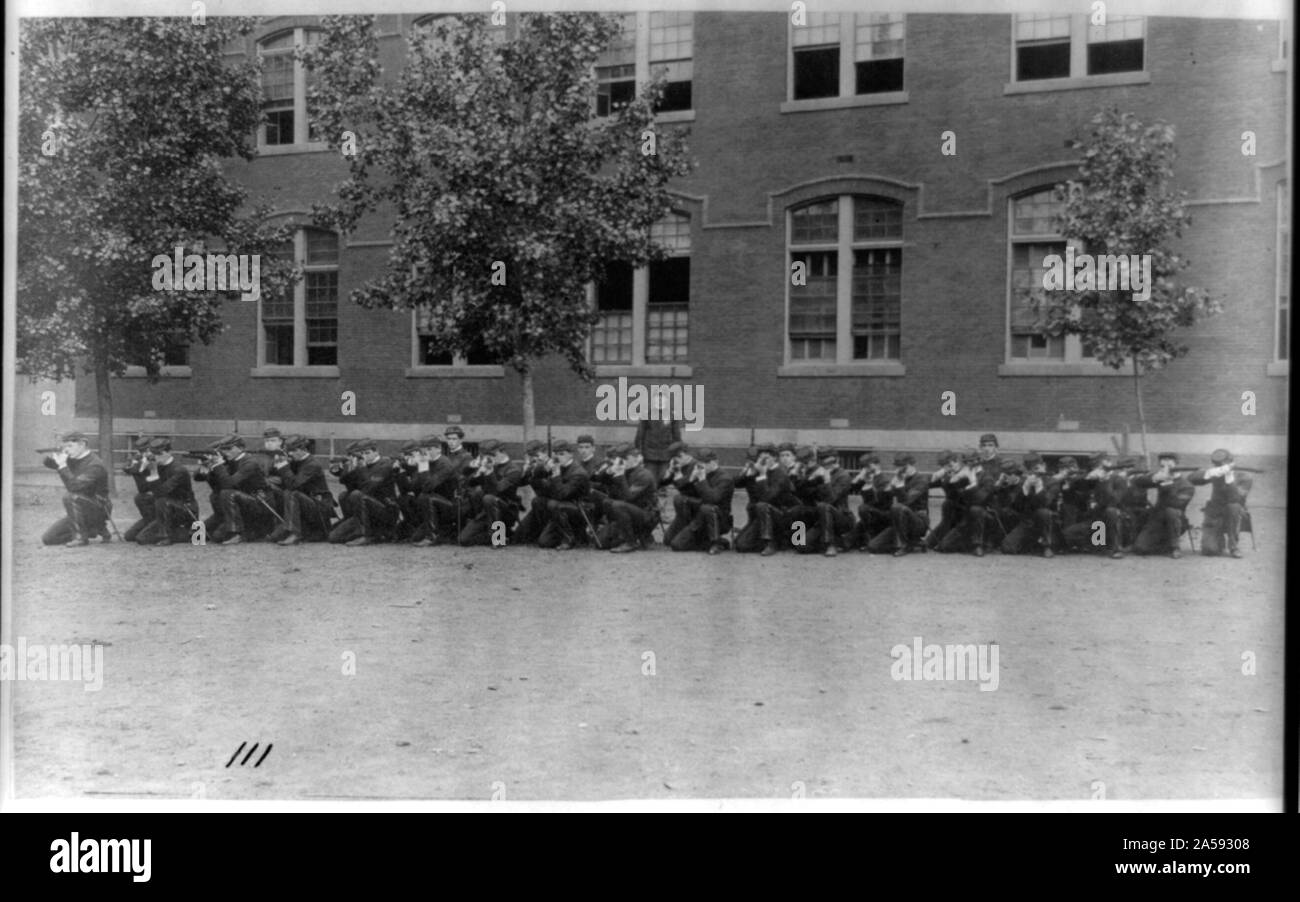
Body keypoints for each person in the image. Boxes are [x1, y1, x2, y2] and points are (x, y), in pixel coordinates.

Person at [40, 431, 112, 547]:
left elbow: (74, 487)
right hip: (80, 507)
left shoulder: (95, 464)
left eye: (70, 446)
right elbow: (50, 464)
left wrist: (62, 465)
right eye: (65, 446)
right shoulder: (73, 458)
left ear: (82, 444)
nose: (67, 450)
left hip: (99, 507)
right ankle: (93, 529)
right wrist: (53, 456)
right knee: (48, 538)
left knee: (70, 496)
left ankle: (81, 538)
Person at [206, 434, 277, 545]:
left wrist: (219, 466)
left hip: (260, 504)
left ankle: (236, 533)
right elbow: (216, 486)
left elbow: (229, 484)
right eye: (223, 449)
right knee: (212, 535)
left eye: (229, 449)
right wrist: (210, 469)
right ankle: (230, 524)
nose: (226, 452)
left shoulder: (249, 463)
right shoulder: (231, 461)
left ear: (240, 448)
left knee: (227, 493)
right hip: (244, 504)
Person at [328, 438, 399, 546]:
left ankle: (367, 535)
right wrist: (349, 468)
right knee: (333, 537)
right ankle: (374, 534)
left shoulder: (385, 465)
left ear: (376, 451)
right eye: (362, 454)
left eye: (367, 453)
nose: (365, 456)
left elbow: (369, 488)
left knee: (357, 495)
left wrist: (360, 468)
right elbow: (345, 483)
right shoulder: (363, 467)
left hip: (385, 511)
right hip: (365, 513)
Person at [267, 434, 336, 545]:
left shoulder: (312, 464)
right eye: (288, 451)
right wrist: (277, 464)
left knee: (292, 493)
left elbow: (294, 485)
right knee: (275, 537)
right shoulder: (296, 461)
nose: (290, 454)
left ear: (301, 450)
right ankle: (293, 528)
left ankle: (294, 533)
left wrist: (284, 468)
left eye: (292, 451)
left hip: (319, 507)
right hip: (305, 505)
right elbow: (282, 480)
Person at [458, 439, 525, 546]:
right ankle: (503, 536)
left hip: (506, 509)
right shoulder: (490, 465)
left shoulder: (514, 469)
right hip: (486, 511)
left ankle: (498, 538)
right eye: (485, 456)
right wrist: (475, 470)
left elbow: (498, 490)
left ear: (501, 452)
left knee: (489, 498)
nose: (488, 459)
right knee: (464, 540)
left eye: (491, 456)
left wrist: (489, 472)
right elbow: (470, 483)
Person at [667, 448, 735, 553]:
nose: (702, 466)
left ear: (714, 462)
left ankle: (715, 543)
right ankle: (707, 541)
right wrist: (691, 480)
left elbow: (713, 499)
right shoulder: (701, 473)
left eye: (705, 463)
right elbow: (687, 493)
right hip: (700, 517)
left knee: (707, 508)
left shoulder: (725, 478)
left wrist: (702, 480)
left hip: (718, 519)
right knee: (675, 544)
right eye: (700, 463)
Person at [133, 438, 199, 546]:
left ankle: (169, 535)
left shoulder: (179, 470)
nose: (155, 458)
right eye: (153, 455)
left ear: (168, 453)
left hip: (184, 509)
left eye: (158, 454)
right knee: (140, 498)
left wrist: (154, 472)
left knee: (142, 538)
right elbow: (143, 489)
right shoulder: (158, 465)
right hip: (166, 509)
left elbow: (161, 492)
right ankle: (154, 524)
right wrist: (142, 469)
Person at [1189, 449, 1253, 558]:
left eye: (1225, 463)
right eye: (1218, 465)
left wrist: (1229, 478)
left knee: (1233, 506)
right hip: (1215, 511)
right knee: (1209, 550)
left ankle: (1233, 546)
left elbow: (1236, 498)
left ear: (1231, 461)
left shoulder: (1244, 476)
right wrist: (1211, 472)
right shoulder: (1216, 473)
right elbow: (1191, 479)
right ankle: (1219, 540)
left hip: (1235, 511)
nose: (1222, 466)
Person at [1131, 452, 1195, 558]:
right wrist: (1155, 478)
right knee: (1140, 548)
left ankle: (1175, 547)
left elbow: (1177, 504)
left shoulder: (1186, 485)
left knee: (1171, 511)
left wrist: (1168, 484)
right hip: (1157, 519)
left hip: (1176, 520)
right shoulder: (1160, 479)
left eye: (1169, 462)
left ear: (1176, 464)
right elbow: (1138, 482)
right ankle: (1164, 545)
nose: (1166, 466)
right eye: (1163, 464)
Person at [867, 453, 930, 556]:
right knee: (873, 546)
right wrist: (889, 486)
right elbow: (885, 499)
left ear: (910, 465)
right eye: (897, 467)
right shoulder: (901, 478)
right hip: (899, 522)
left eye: (902, 468)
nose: (899, 470)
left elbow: (907, 501)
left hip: (918, 521)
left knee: (897, 507)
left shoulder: (921, 480)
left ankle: (904, 545)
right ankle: (914, 542)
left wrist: (900, 485)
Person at [601, 445, 660, 553]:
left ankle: (630, 542)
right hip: (630, 512)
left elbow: (629, 497)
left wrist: (620, 476)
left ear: (634, 458)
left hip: (646, 514)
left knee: (618, 505)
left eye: (624, 459)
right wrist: (609, 472)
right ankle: (623, 533)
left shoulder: (644, 475)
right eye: (619, 460)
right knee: (602, 543)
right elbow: (600, 481)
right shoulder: (626, 471)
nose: (621, 463)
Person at [536, 441, 592, 550]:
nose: (557, 457)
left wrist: (556, 475)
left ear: (571, 454)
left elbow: (562, 495)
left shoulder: (578, 472)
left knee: (553, 504)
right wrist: (543, 467)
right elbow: (538, 484)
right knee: (538, 501)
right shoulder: (559, 466)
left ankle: (569, 539)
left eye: (561, 454)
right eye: (556, 454)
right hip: (561, 509)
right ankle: (546, 531)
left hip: (580, 509)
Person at [798, 447, 854, 556]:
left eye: (830, 462)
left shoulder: (844, 476)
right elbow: (805, 494)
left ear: (837, 460)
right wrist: (808, 479)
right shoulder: (819, 474)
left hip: (842, 518)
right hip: (822, 520)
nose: (827, 466)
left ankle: (830, 544)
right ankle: (839, 541)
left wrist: (827, 481)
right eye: (824, 462)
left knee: (824, 506)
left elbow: (831, 499)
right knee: (801, 546)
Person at [999, 453, 1057, 557]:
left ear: (1044, 465)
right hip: (1028, 521)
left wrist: (1039, 487)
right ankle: (1033, 544)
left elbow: (1047, 502)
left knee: (1043, 512)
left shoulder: (1052, 481)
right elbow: (1016, 506)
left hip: (1047, 522)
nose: (1035, 471)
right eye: (1031, 469)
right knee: (1007, 547)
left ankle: (1046, 546)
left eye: (1037, 467)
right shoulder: (1023, 481)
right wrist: (1025, 488)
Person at [121, 433, 156, 543]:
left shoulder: (156, 460)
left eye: (145, 450)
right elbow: (126, 469)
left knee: (142, 537)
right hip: (144, 497)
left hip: (157, 498)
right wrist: (139, 461)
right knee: (129, 536)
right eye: (141, 451)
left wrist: (141, 464)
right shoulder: (139, 459)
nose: (144, 453)